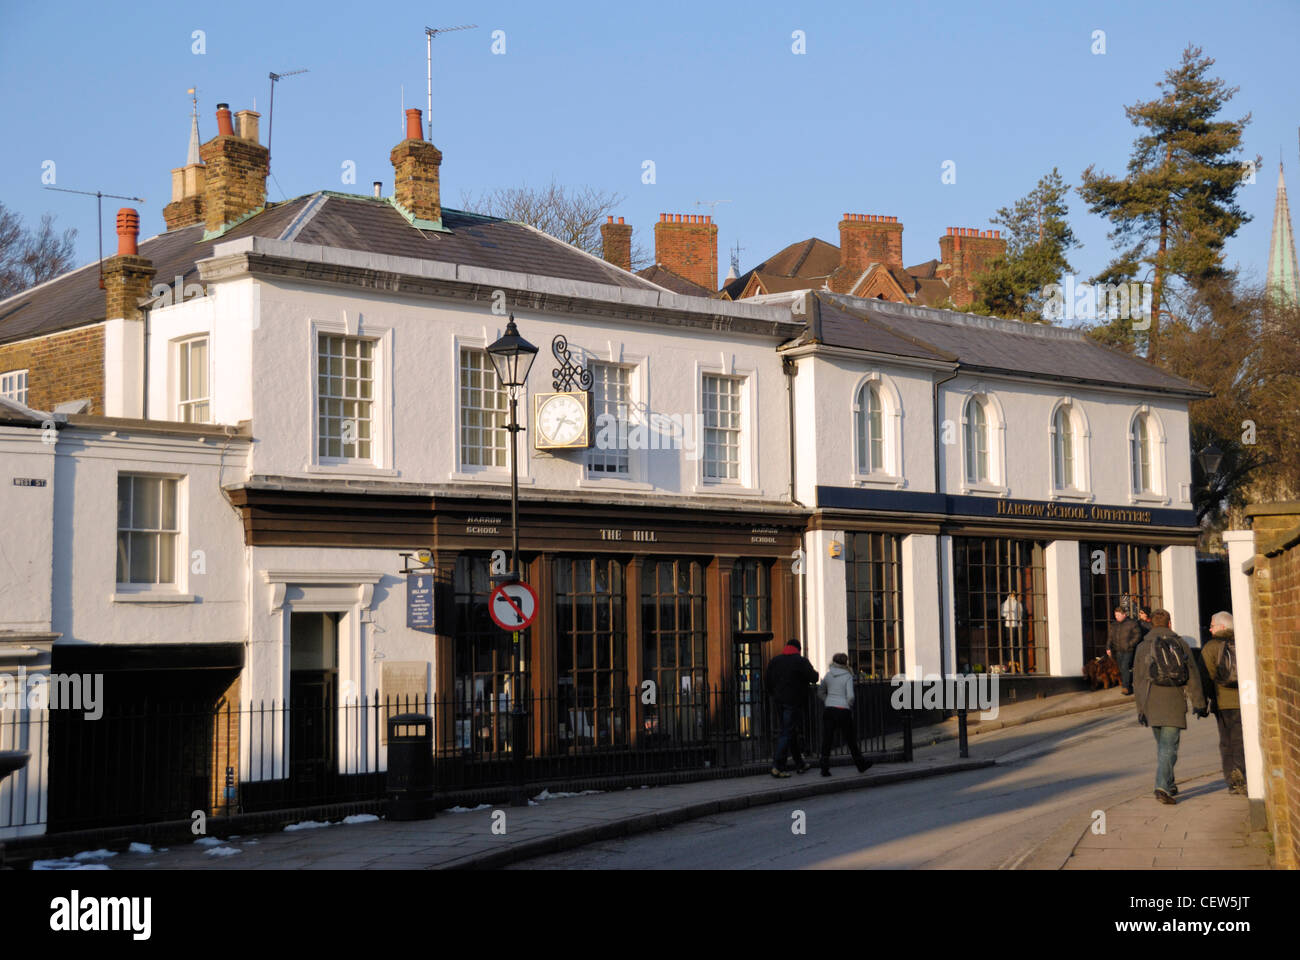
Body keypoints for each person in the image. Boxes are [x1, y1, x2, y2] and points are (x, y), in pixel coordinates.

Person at [1133, 608, 1207, 804]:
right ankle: (1162, 787)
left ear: (1152, 624)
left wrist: (1141, 709)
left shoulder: (1143, 646)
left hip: (1151, 702)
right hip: (1173, 701)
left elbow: (1138, 681)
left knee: (1163, 747)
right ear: (1169, 623)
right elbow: (1192, 675)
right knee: (1169, 748)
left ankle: (1170, 783)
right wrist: (1199, 703)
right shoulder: (1180, 644)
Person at [1201, 611, 1246, 795]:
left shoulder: (1210, 647)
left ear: (1221, 627)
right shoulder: (1243, 642)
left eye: (1212, 625)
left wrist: (1207, 700)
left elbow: (1206, 677)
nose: (1210, 628)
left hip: (1223, 702)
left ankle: (1233, 781)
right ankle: (1245, 775)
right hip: (1243, 701)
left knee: (1227, 742)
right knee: (1241, 741)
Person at [765, 638, 818, 777]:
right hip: (794, 701)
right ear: (798, 649)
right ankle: (778, 766)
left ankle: (799, 764)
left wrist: (774, 694)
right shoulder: (800, 661)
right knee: (787, 732)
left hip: (778, 701)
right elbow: (814, 677)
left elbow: (767, 681)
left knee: (789, 731)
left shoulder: (775, 661)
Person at [817, 653, 872, 776]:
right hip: (843, 710)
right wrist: (848, 704)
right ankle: (861, 764)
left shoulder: (828, 675)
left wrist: (828, 700)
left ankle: (824, 768)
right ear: (845, 663)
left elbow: (820, 691)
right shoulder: (847, 676)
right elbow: (851, 696)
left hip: (829, 709)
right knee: (851, 740)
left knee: (827, 740)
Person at [1107, 603, 1142, 695]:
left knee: (1125, 667)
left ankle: (1125, 687)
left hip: (1128, 650)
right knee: (1121, 669)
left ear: (1124, 614)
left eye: (1118, 615)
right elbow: (1110, 637)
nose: (1116, 617)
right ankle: (1129, 686)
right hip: (1118, 650)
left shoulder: (1132, 623)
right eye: (1115, 615)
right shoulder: (1114, 625)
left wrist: (1130, 644)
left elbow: (1137, 635)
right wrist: (1108, 647)